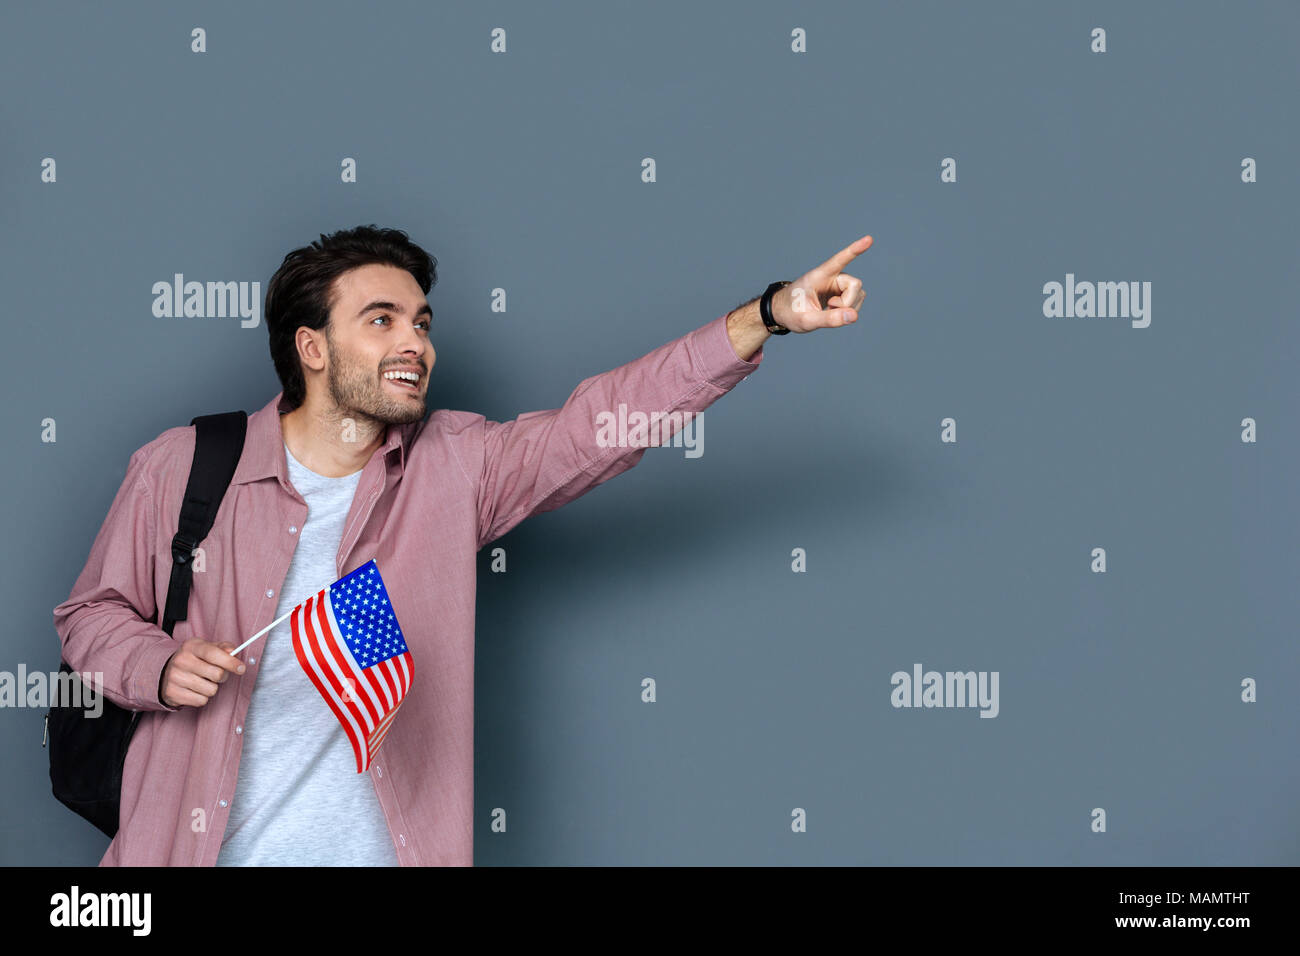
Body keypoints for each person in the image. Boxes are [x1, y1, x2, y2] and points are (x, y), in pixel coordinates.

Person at [53, 224, 872, 865]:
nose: (416, 343)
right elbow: (90, 615)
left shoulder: (454, 467)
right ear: (311, 348)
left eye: (421, 322)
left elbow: (596, 429)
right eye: (382, 321)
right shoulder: (185, 466)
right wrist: (155, 666)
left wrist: (765, 317)